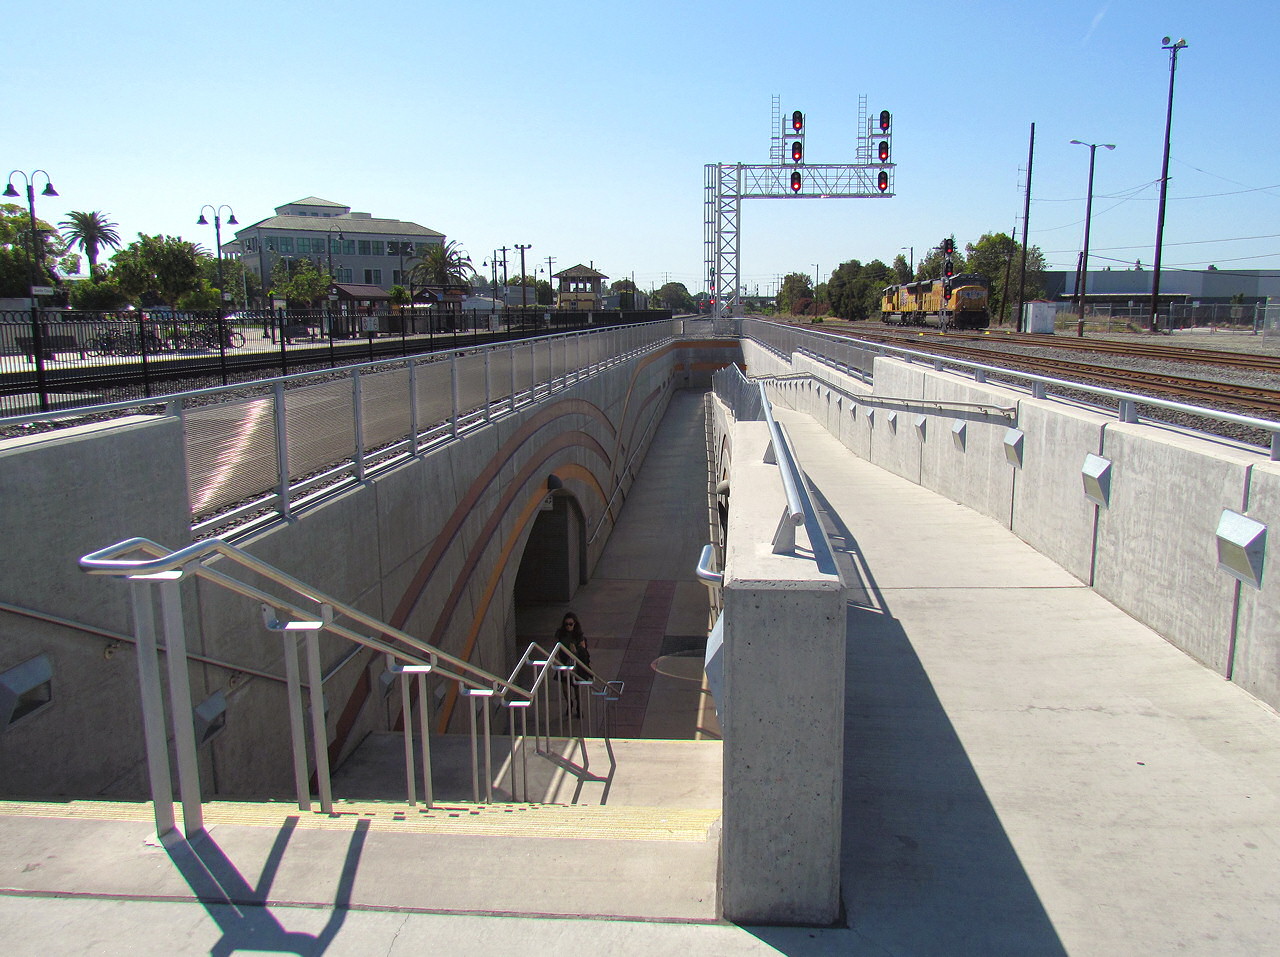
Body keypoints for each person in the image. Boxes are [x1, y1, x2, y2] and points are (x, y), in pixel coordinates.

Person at [553, 611, 590, 717]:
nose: (568, 626)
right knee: (565, 688)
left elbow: (583, 650)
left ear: (575, 624)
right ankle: (569, 704)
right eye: (566, 624)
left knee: (576, 687)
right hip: (563, 663)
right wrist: (557, 660)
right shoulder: (560, 633)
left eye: (571, 624)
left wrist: (576, 651)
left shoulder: (579, 635)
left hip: (575, 664)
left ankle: (579, 706)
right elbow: (555, 647)